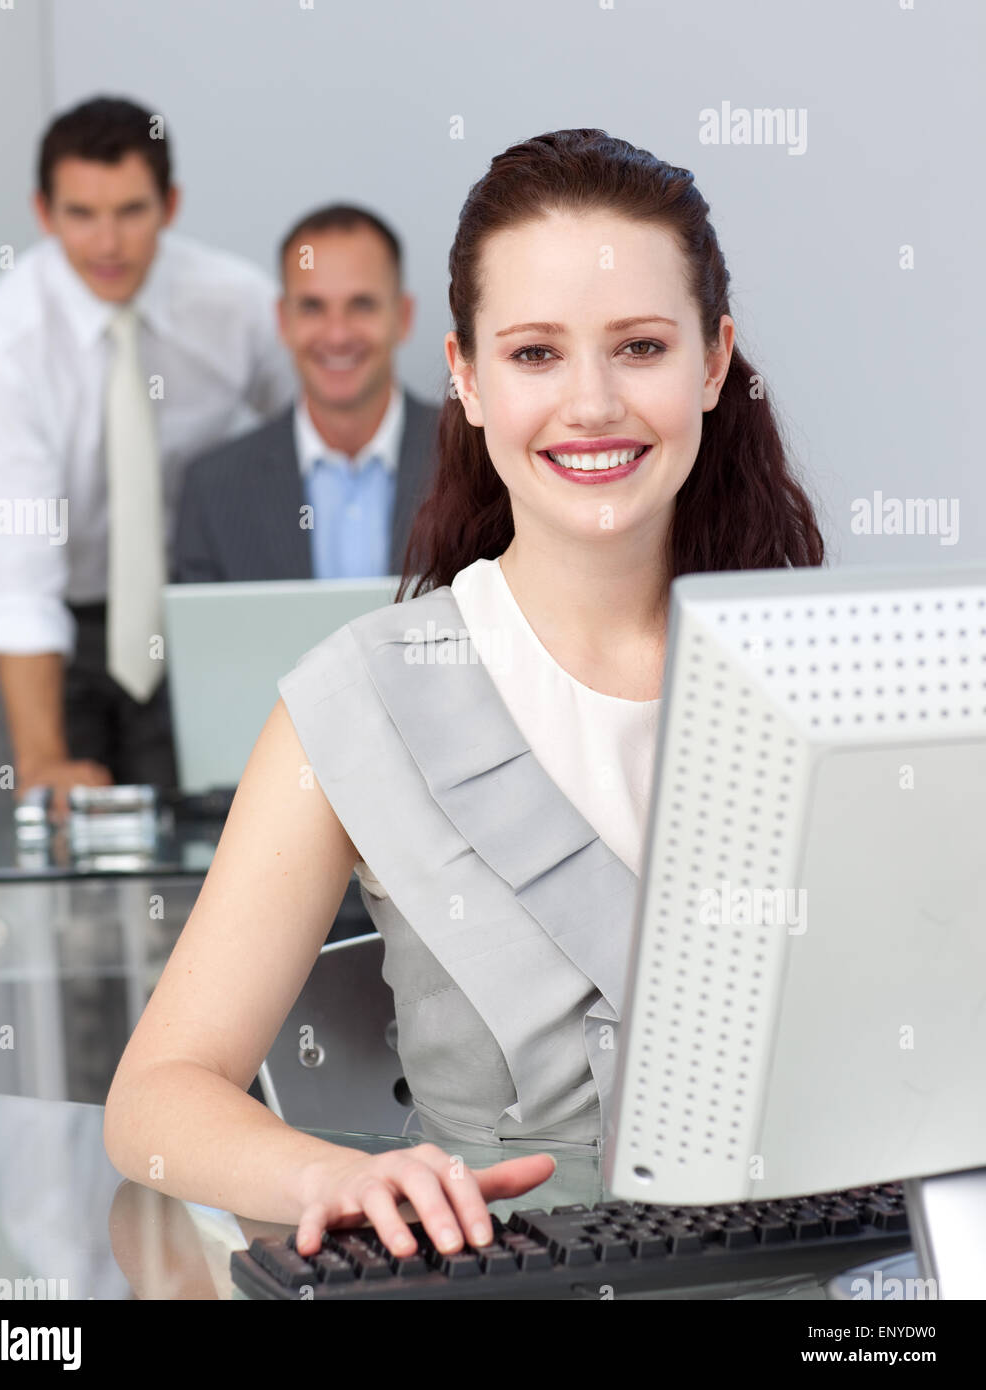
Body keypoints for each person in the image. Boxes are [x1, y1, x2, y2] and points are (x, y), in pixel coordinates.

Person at [104, 130, 825, 1264]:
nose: (592, 403)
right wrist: (334, 1172)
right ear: (466, 375)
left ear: (714, 358)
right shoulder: (360, 697)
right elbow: (152, 1100)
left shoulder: (835, 676)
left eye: (639, 346)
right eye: (536, 354)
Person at [0, 96, 292, 816]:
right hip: (47, 623)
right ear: (42, 214)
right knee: (55, 838)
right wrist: (43, 760)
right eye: (80, 214)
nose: (107, 243)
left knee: (202, 828)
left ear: (170, 204)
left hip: (179, 615)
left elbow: (308, 430)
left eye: (131, 211)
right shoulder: (0, 349)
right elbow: (17, 585)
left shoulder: (234, 306)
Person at [174, 204, 439, 584]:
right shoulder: (213, 489)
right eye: (312, 307)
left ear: (404, 317)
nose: (337, 335)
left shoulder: (481, 461)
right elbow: (203, 641)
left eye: (361, 305)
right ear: (283, 321)